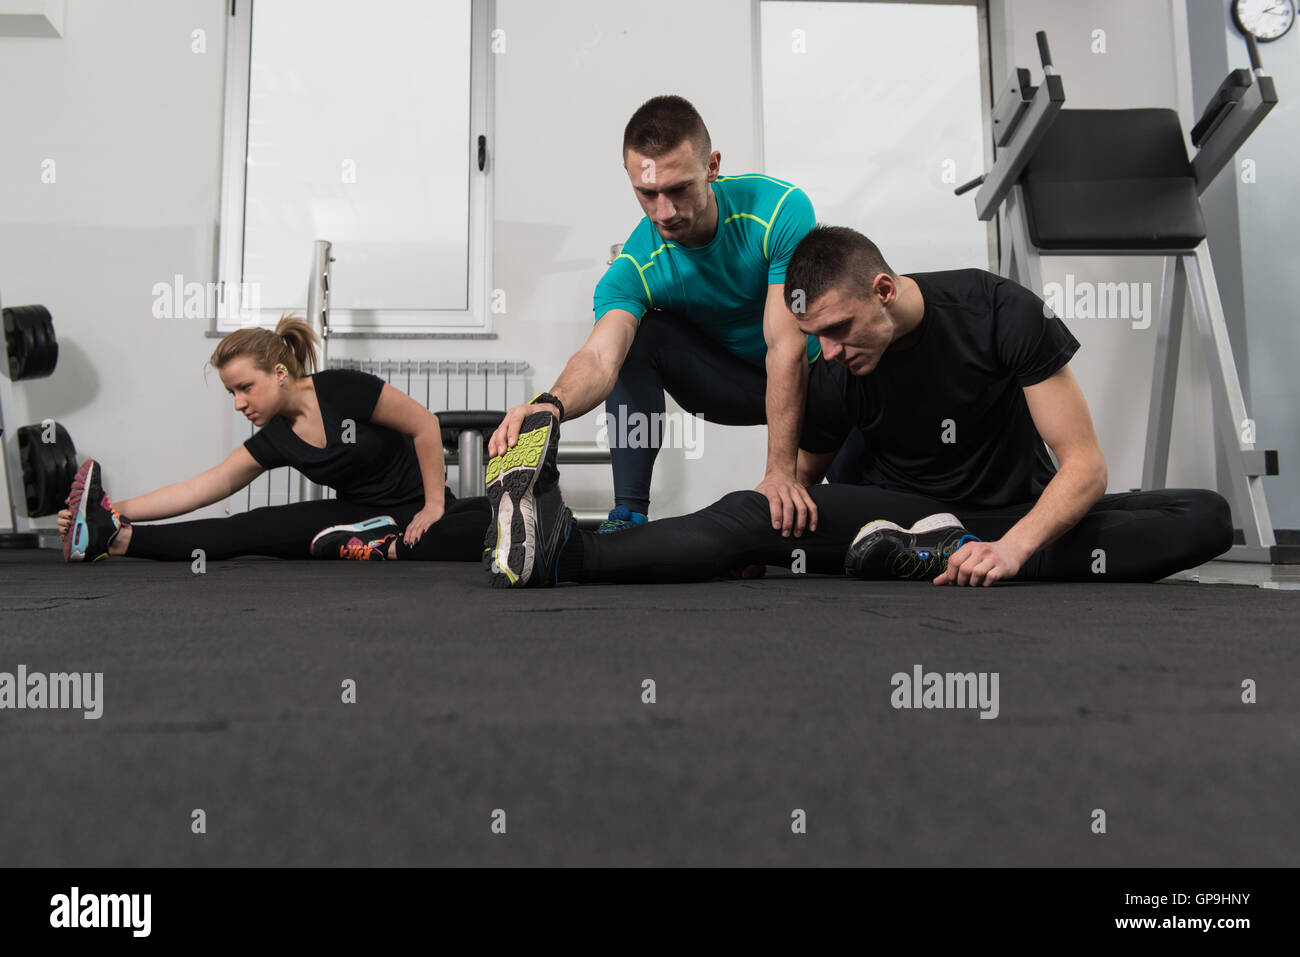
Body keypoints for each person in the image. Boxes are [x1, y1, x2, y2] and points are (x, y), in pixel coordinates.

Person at [481, 227, 1233, 588]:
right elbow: (795, 493)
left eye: (837, 331)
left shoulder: (1000, 312)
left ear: (884, 289)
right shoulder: (836, 371)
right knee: (756, 512)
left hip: (1008, 513)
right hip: (898, 511)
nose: (828, 353)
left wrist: (1011, 548)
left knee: (1202, 516)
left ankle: (946, 552)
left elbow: (1087, 467)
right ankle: (573, 551)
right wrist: (767, 532)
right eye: (815, 337)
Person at [486, 94, 853, 539]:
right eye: (648, 193)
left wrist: (780, 473)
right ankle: (629, 515)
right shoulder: (633, 269)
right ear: (630, 178)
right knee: (639, 337)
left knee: (858, 509)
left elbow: (785, 346)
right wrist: (551, 403)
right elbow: (601, 358)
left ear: (712, 166)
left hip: (822, 382)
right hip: (732, 386)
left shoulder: (777, 210)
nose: (664, 212)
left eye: (679, 189)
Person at [59, 315, 488, 563]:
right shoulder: (276, 438)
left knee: (489, 520)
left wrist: (433, 506)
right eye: (232, 392)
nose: (238, 403)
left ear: (279, 374)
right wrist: (112, 512)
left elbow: (425, 425)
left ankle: (390, 543)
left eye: (245, 387)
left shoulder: (344, 389)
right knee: (251, 526)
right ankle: (117, 539)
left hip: (418, 509)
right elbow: (204, 486)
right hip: (356, 514)